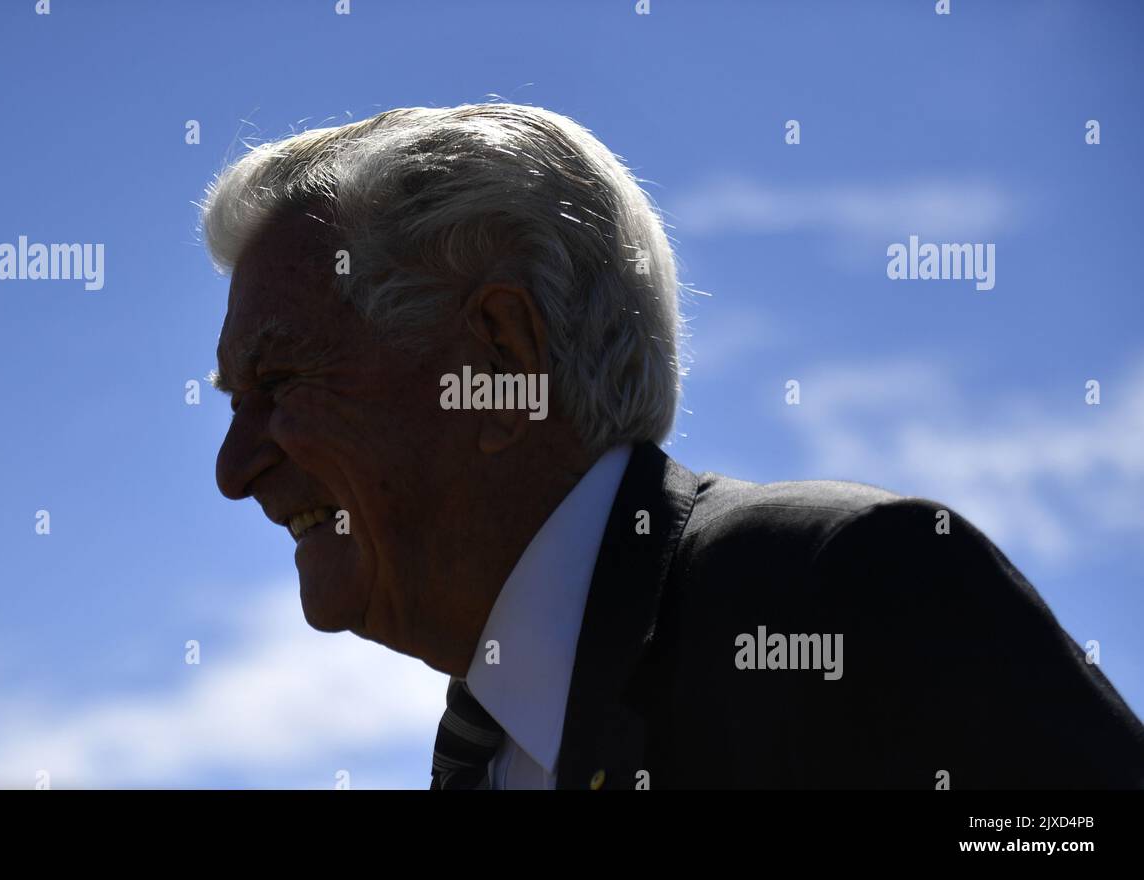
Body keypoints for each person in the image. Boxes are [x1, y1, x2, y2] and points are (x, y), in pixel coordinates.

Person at [201, 103, 1143, 789]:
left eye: (279, 383)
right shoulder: (483, 746)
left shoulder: (852, 588)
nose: (233, 472)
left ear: (504, 356)